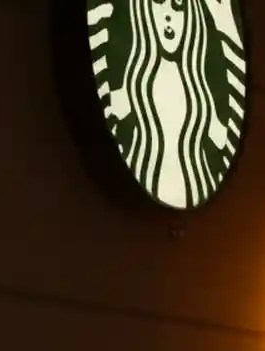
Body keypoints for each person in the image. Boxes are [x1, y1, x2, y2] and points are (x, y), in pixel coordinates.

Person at [87, 0, 247, 208]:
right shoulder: (135, 89)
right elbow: (105, 104)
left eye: (177, 5)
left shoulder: (200, 95)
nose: (168, 15)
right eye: (159, 3)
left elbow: (228, 140)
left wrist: (225, 25)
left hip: (194, 189)